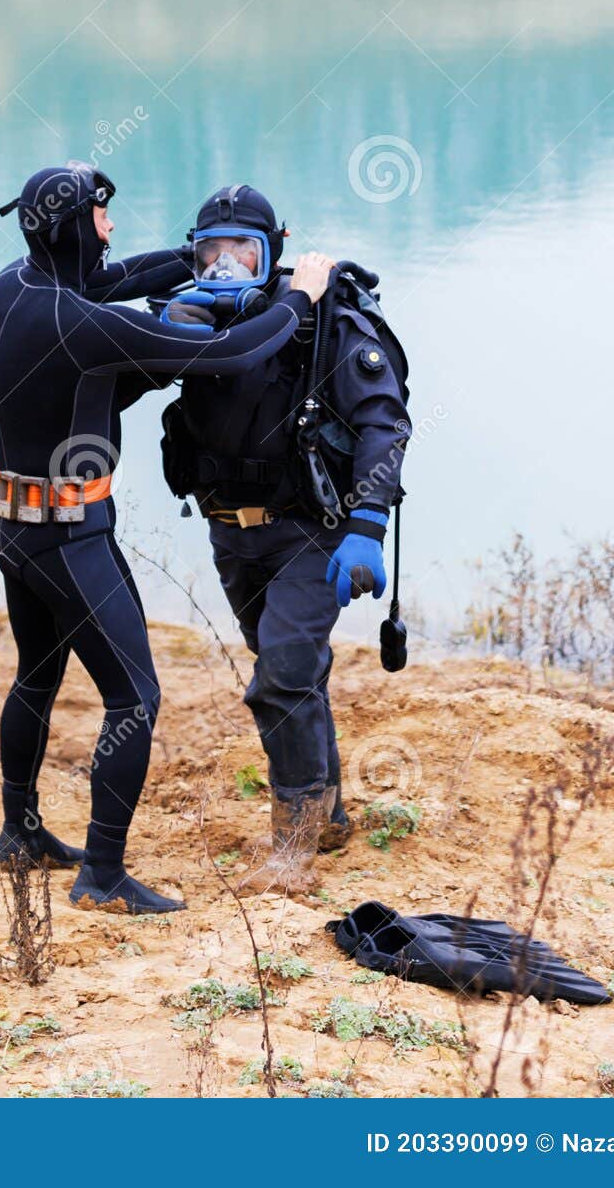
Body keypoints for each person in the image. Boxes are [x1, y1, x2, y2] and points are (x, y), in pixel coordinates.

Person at [0, 161, 334, 915]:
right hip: (68, 534)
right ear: (74, 227)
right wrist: (297, 295)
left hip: (8, 521)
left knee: (36, 677)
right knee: (134, 698)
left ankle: (21, 833)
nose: (110, 228)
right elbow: (230, 354)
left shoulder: (15, 285)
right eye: (101, 217)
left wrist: (204, 256)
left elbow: (116, 280)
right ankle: (104, 876)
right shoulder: (78, 322)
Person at [157, 184, 409, 895]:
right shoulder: (190, 321)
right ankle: (327, 814)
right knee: (292, 672)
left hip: (312, 532)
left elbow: (384, 424)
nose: (225, 263)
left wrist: (367, 526)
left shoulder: (324, 321)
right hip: (230, 532)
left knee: (282, 679)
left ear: (274, 252)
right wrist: (166, 330)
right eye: (211, 249)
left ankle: (292, 853)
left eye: (243, 249)